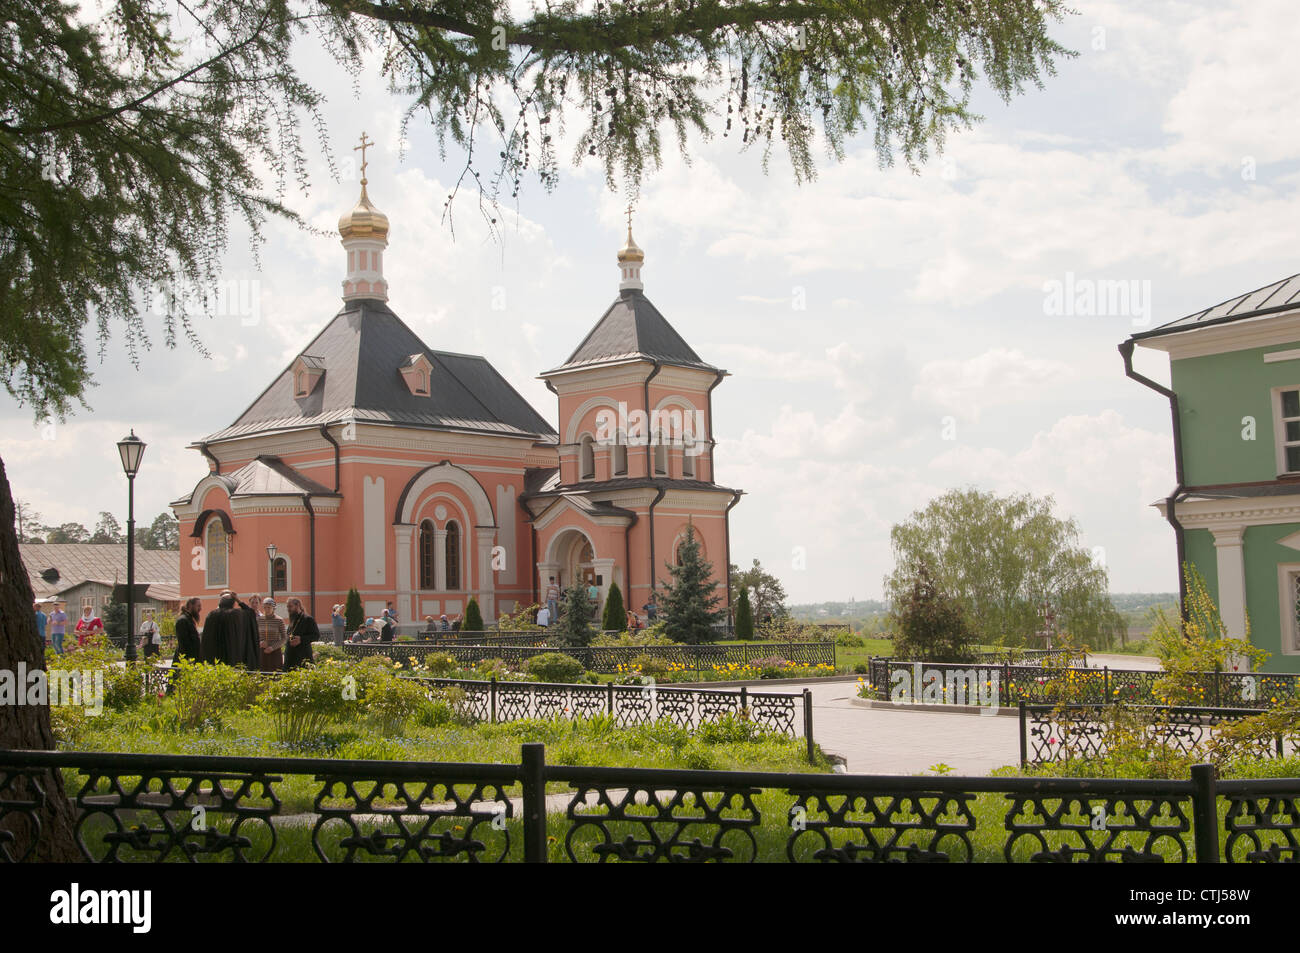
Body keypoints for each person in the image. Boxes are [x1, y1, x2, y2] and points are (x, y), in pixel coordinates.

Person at [200, 594, 240, 663]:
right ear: (233, 604)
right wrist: (239, 601)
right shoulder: (234, 615)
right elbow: (249, 613)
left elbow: (206, 637)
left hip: (212, 654)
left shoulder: (211, 614)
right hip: (229, 653)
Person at [283, 597, 318, 670]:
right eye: (287, 607)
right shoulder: (292, 619)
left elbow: (316, 635)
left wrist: (301, 639)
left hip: (303, 657)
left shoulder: (308, 619)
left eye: (290, 606)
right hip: (290, 657)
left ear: (297, 605)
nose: (288, 609)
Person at [257, 598, 286, 671]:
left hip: (275, 652)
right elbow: (255, 636)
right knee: (262, 675)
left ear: (273, 608)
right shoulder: (259, 620)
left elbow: (284, 638)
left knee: (275, 675)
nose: (267, 610)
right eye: (265, 607)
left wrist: (272, 647)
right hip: (262, 651)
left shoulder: (279, 620)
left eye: (269, 607)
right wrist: (259, 643)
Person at [173, 598, 202, 664]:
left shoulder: (189, 620)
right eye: (198, 606)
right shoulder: (183, 620)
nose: (200, 608)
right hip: (185, 661)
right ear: (191, 606)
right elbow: (184, 643)